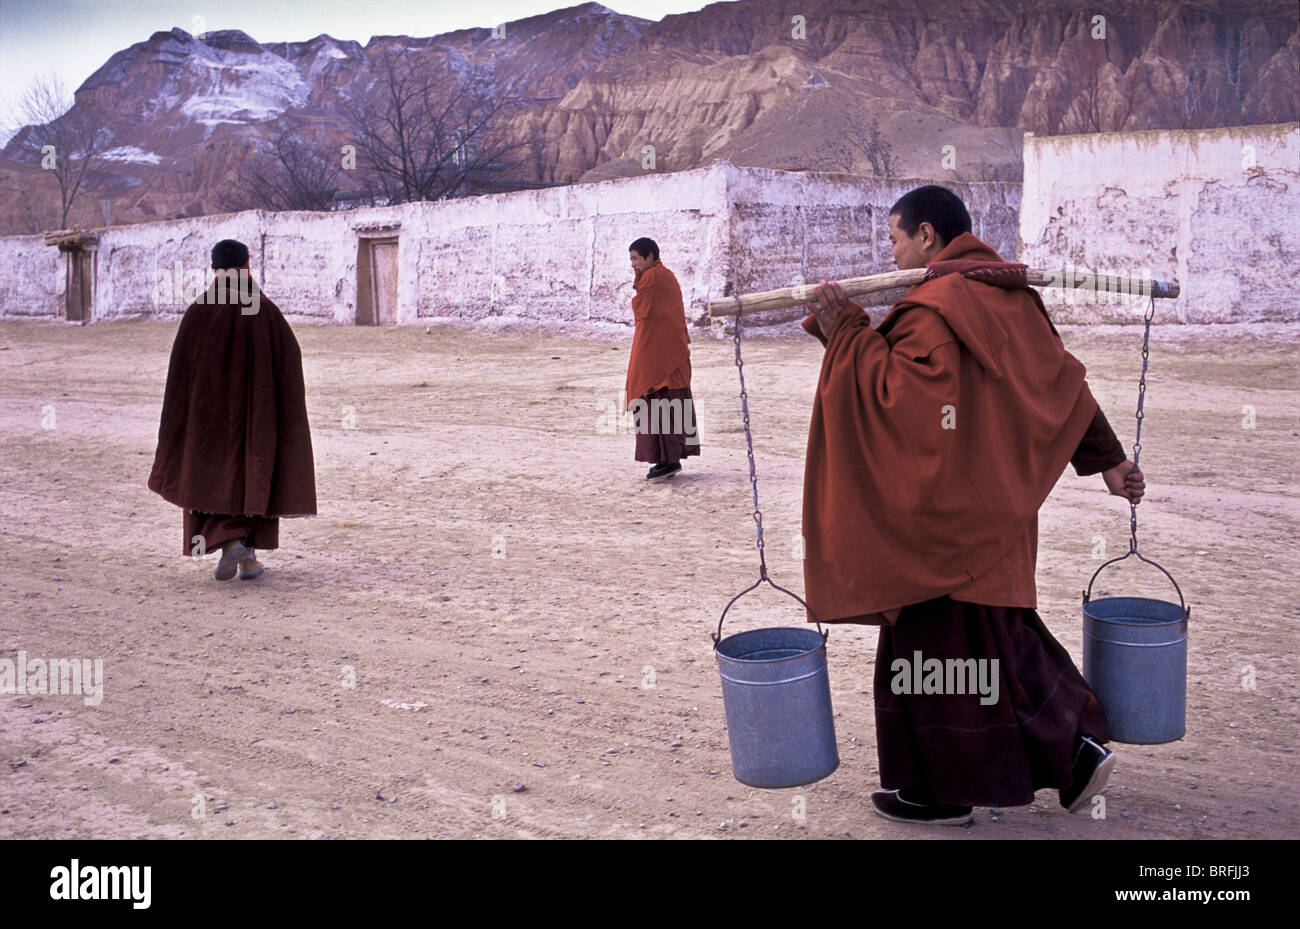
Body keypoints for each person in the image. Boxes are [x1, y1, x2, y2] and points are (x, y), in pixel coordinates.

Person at [800, 185, 1145, 826]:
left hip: (944, 526)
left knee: (949, 664)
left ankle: (1063, 754)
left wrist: (846, 332)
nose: (892, 250)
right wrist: (1110, 462)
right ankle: (951, 786)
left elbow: (899, 403)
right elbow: (1065, 387)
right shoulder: (1015, 300)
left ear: (927, 236)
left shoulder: (936, 306)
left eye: (897, 238)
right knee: (990, 646)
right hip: (1000, 513)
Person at [148, 239, 316, 581]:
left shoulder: (199, 312)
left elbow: (180, 372)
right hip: (257, 418)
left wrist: (188, 415)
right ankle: (246, 555)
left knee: (209, 477)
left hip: (207, 421)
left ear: (214, 269)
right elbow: (289, 361)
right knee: (253, 475)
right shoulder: (264, 310)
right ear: (246, 266)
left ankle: (234, 546)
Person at [625, 237, 699, 482]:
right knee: (663, 403)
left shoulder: (655, 278)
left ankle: (668, 461)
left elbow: (645, 314)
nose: (633, 264)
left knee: (660, 401)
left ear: (650, 256)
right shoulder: (661, 275)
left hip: (662, 357)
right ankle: (668, 459)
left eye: (636, 258)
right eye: (631, 259)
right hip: (666, 352)